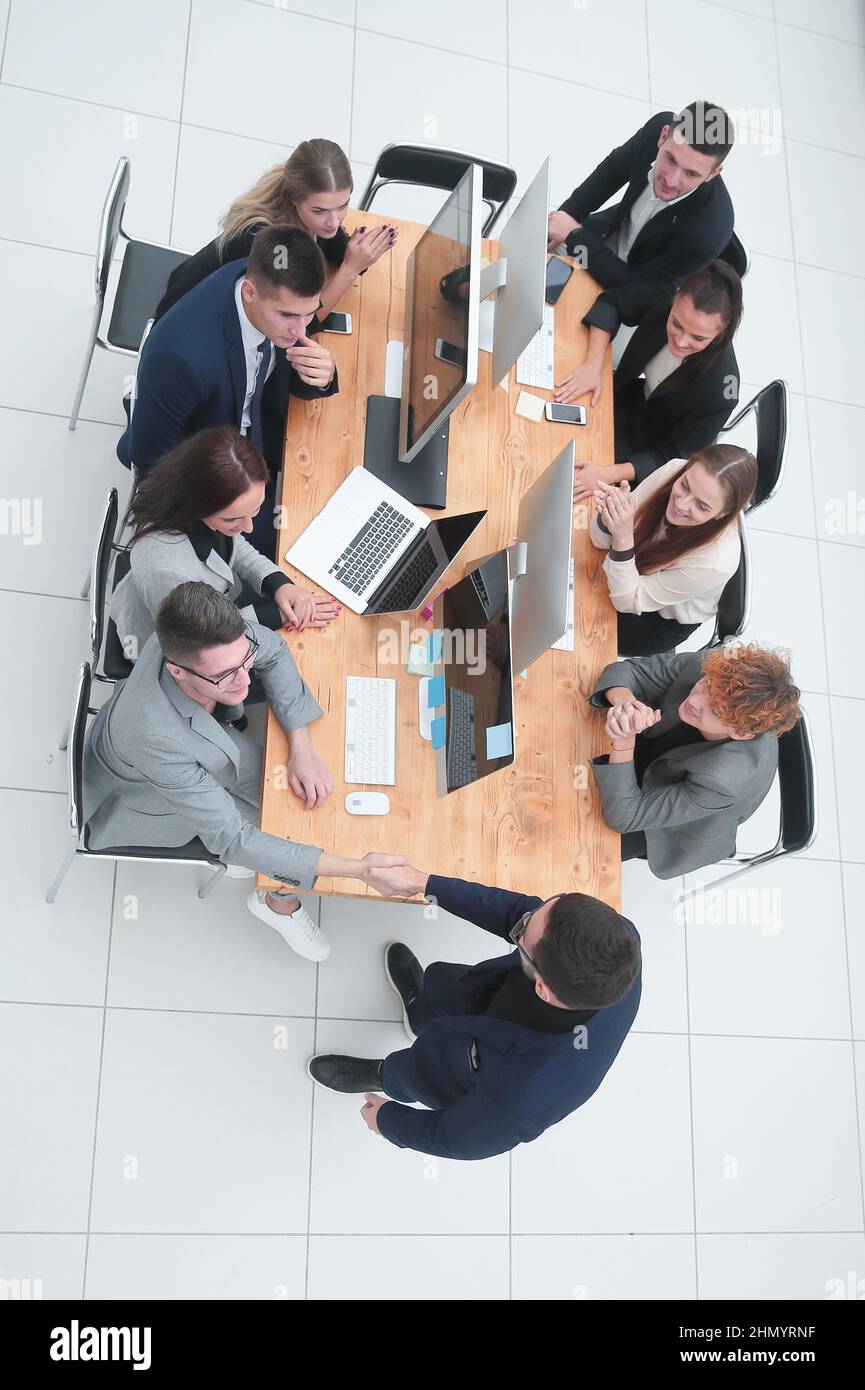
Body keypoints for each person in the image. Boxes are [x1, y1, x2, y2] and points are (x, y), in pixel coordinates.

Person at [83, 582, 404, 961]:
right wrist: (356, 870)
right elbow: (233, 839)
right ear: (179, 671)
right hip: (143, 797)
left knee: (297, 793)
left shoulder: (215, 637)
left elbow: (275, 649)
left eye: (244, 660)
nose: (245, 681)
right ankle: (274, 900)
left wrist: (301, 746)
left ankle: (278, 877)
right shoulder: (154, 735)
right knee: (279, 827)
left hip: (204, 745)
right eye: (225, 676)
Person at [307, 867, 642, 1160]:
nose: (524, 917)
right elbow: (519, 911)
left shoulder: (524, 1098)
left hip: (470, 1066)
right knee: (440, 997)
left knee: (418, 1070)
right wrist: (425, 882)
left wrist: (388, 1121)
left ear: (543, 988)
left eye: (522, 933)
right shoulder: (617, 936)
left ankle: (382, 1074)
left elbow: (455, 1139)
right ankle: (419, 1014)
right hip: (488, 996)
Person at [117, 224, 338, 555]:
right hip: (211, 479)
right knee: (294, 551)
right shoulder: (180, 359)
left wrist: (323, 374)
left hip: (259, 442)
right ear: (249, 292)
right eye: (289, 316)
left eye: (309, 314)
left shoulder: (270, 294)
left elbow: (283, 374)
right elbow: (151, 462)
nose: (300, 330)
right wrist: (221, 512)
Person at [111, 426, 339, 660]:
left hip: (213, 607)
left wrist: (280, 585)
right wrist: (276, 614)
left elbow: (236, 544)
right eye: (232, 519)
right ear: (197, 502)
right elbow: (203, 634)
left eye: (255, 509)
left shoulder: (203, 509)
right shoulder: (168, 570)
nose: (248, 528)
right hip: (181, 647)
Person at [588, 642, 801, 878]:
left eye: (716, 710)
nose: (696, 701)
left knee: (584, 842)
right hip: (653, 752)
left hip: (671, 825)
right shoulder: (716, 667)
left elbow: (625, 816)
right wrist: (624, 702)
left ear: (740, 733)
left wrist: (625, 741)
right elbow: (628, 671)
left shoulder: (725, 781)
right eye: (706, 686)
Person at [154, 138, 396, 324]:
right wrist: (350, 268)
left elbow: (336, 246)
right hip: (190, 318)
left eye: (342, 206)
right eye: (320, 211)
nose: (334, 222)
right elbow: (303, 321)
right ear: (294, 200)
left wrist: (356, 255)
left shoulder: (301, 204)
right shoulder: (272, 245)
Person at [558, 262, 742, 489]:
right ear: (676, 297)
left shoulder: (720, 392)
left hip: (645, 453)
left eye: (698, 338)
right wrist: (593, 365)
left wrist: (608, 473)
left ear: (721, 332)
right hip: (626, 398)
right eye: (676, 323)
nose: (682, 341)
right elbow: (613, 301)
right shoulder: (666, 293)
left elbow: (674, 456)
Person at [587, 443, 756, 657]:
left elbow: (628, 601)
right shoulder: (675, 470)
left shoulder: (716, 563)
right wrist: (608, 516)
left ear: (723, 514)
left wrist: (621, 536)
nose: (681, 504)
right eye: (685, 485)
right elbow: (598, 540)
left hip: (654, 618)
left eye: (701, 506)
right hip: (632, 562)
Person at [547, 103, 735, 290]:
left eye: (691, 174)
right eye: (670, 159)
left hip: (630, 292)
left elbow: (635, 287)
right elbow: (610, 174)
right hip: (601, 239)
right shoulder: (656, 129)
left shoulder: (707, 235)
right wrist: (563, 220)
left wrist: (574, 235)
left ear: (712, 174)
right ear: (663, 136)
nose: (671, 180)